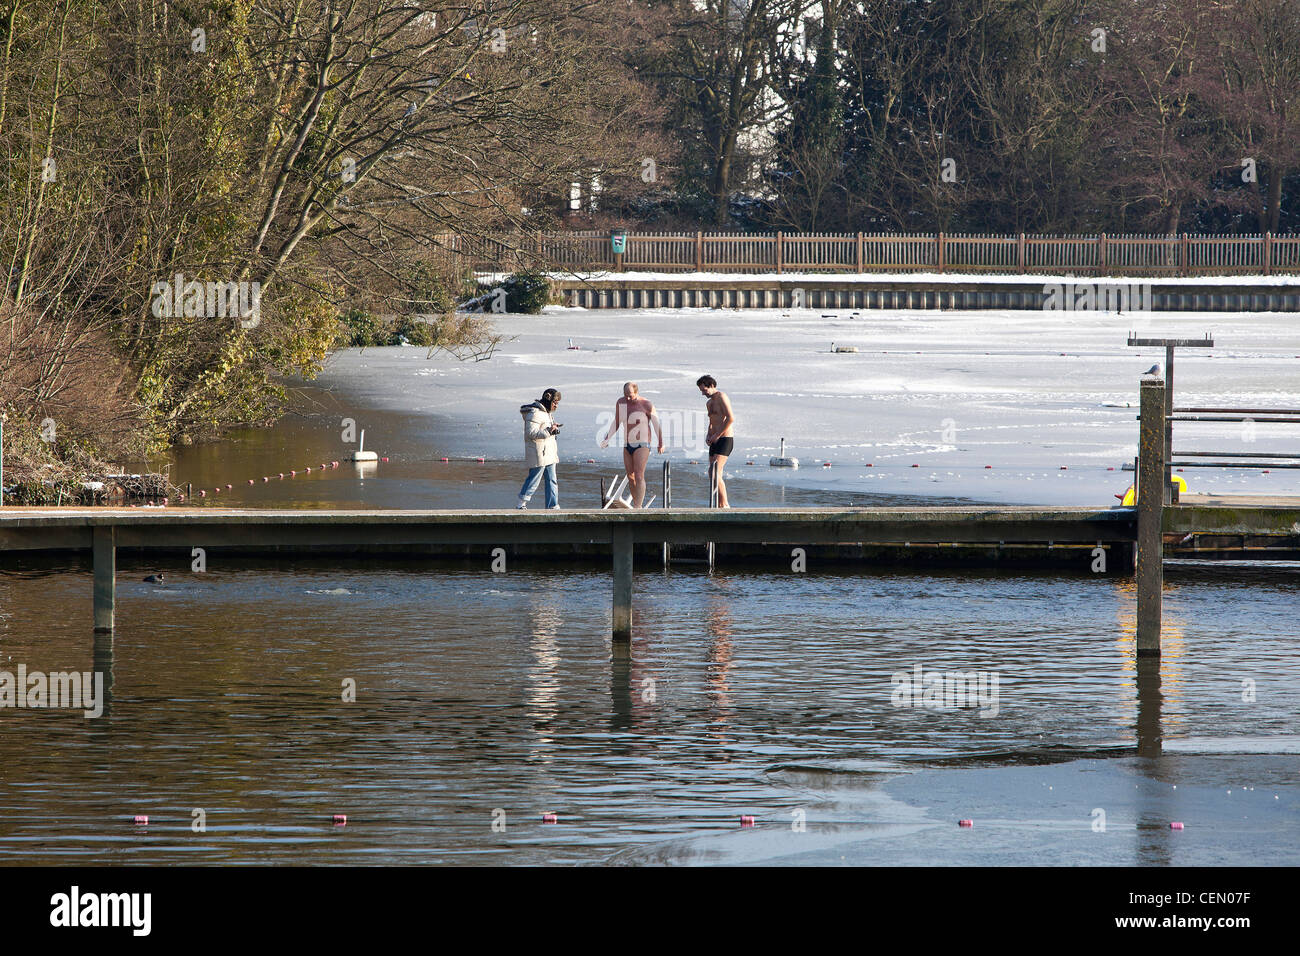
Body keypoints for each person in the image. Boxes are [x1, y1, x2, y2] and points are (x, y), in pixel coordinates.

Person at [600, 382, 664, 508]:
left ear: (636, 392)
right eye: (626, 395)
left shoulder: (646, 404)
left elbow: (656, 425)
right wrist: (608, 438)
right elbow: (617, 421)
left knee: (639, 475)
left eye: (630, 396)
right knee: (631, 476)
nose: (628, 398)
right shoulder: (621, 402)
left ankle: (638, 507)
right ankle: (636, 503)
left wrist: (661, 442)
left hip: (643, 444)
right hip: (627, 443)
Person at [518, 388, 562, 509]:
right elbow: (531, 433)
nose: (556, 406)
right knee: (534, 479)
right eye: (555, 403)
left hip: (549, 453)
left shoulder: (547, 413)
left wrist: (553, 429)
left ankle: (553, 506)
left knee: (552, 480)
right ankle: (521, 503)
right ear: (548, 400)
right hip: (539, 453)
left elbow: (544, 430)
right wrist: (548, 431)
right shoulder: (535, 413)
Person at [697, 374, 735, 508]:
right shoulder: (709, 403)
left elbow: (730, 418)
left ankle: (724, 504)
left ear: (712, 386)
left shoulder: (721, 397)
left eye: (704, 390)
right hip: (714, 439)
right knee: (713, 474)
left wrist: (718, 435)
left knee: (714, 471)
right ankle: (720, 503)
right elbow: (711, 421)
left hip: (725, 438)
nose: (703, 393)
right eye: (701, 391)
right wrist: (709, 434)